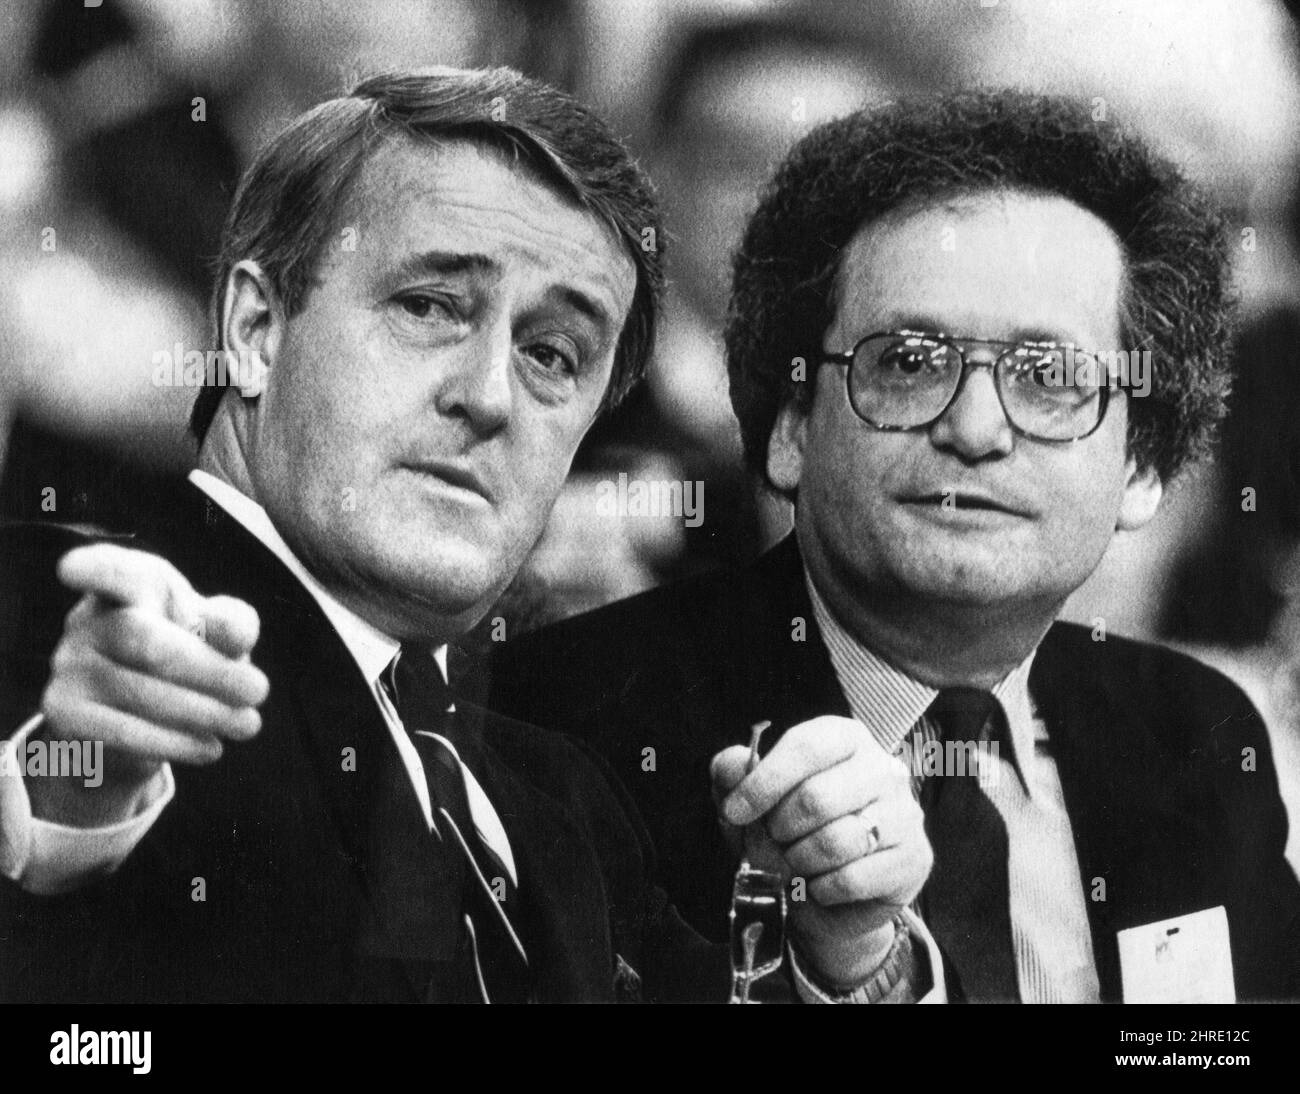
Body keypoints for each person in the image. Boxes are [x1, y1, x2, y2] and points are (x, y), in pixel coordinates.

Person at [0, 68, 930, 1003]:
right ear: (256, 328)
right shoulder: (53, 620)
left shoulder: (565, 805)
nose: (489, 396)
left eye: (551, 355)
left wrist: (849, 958)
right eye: (430, 305)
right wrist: (74, 794)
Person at [490, 90, 1300, 1003]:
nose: (977, 428)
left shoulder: (1194, 734)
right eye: (910, 362)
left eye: (1050, 377)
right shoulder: (567, 724)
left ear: (1142, 466)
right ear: (791, 427)